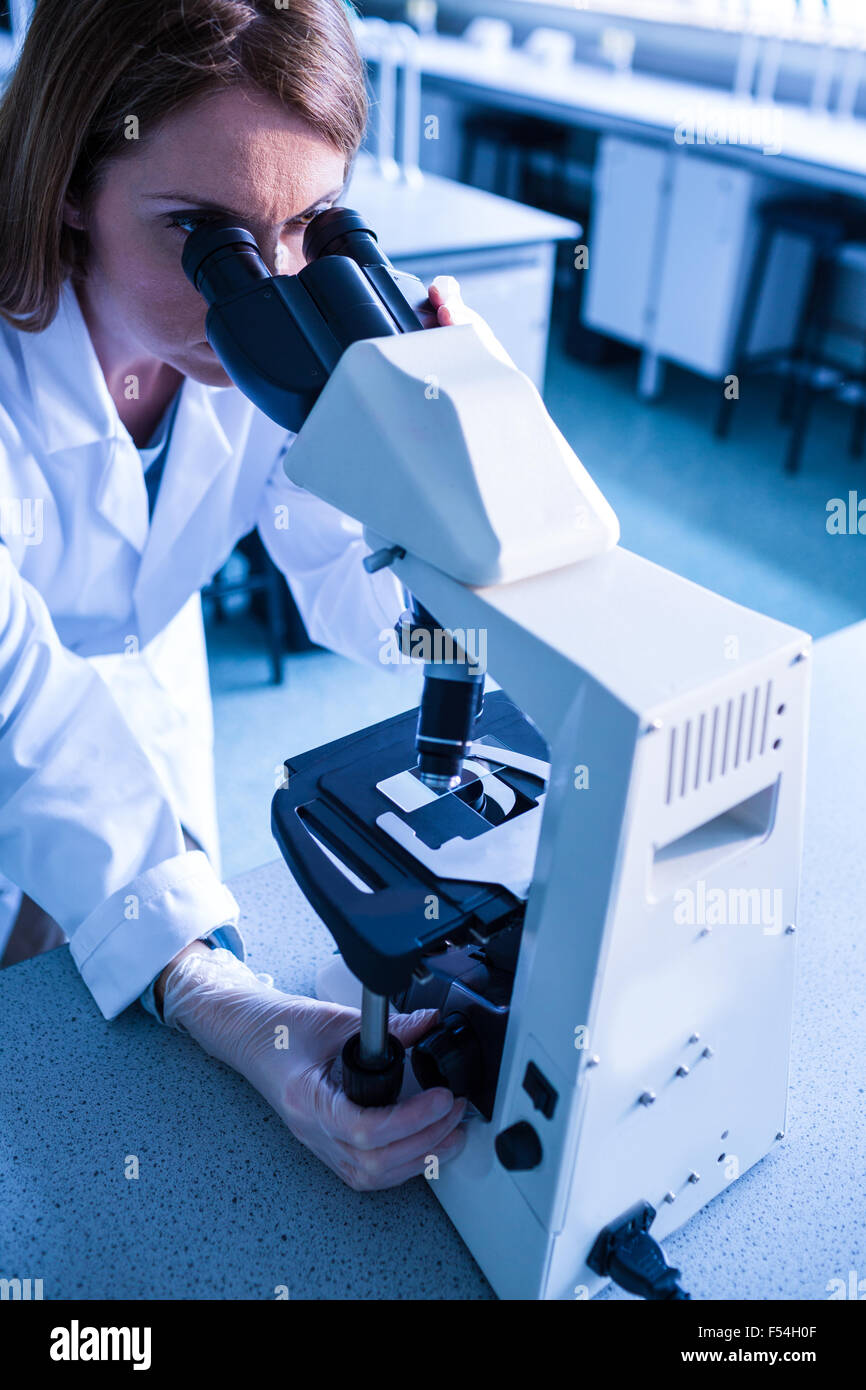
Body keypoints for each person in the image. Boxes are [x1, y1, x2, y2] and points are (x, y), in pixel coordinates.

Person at [0, 0, 473, 1189]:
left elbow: (350, 593)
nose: (255, 293)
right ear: (65, 180)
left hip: (148, 705)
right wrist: (217, 991)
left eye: (305, 225)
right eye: (200, 235)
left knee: (124, 1089)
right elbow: (23, 709)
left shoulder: (262, 319)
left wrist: (444, 491)